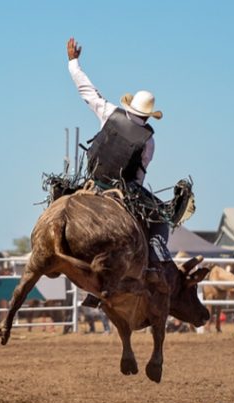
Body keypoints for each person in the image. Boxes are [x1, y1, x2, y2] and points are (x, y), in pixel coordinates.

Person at [66, 37, 172, 269]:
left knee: (62, 193)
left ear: (130, 106)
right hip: (123, 189)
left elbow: (87, 91)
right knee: (162, 215)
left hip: (93, 180)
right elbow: (139, 176)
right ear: (148, 115)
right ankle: (155, 262)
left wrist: (73, 62)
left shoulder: (109, 112)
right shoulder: (149, 140)